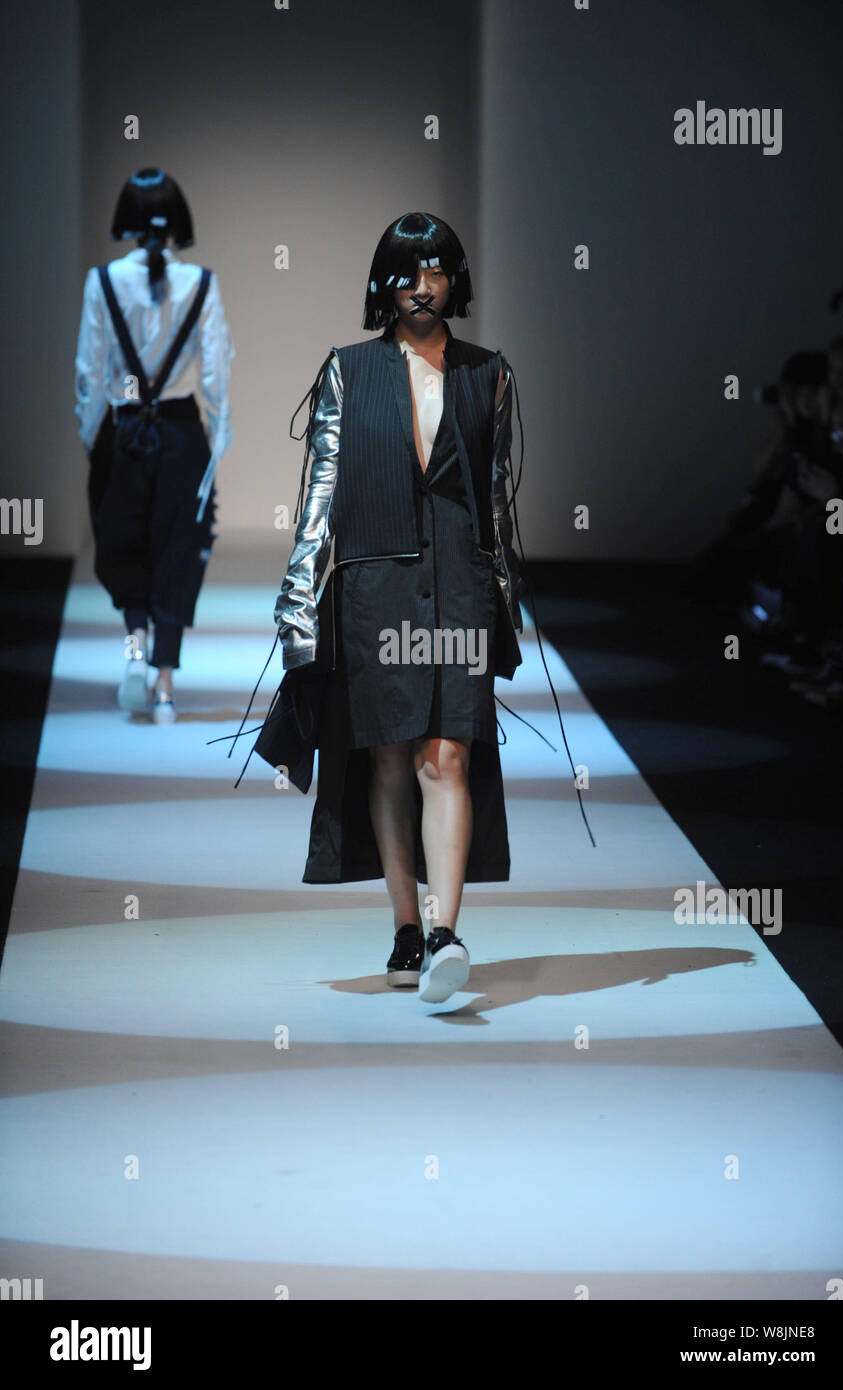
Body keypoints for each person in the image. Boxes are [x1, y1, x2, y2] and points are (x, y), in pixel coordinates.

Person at [267, 212, 524, 1004]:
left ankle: (446, 932)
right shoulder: (347, 370)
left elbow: (492, 501)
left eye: (438, 270)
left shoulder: (490, 373)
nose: (423, 285)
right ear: (384, 281)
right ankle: (405, 925)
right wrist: (298, 604)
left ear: (456, 282)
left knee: (444, 758)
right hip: (376, 588)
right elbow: (319, 495)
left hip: (458, 587)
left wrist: (502, 605)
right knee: (387, 759)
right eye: (409, 271)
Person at [74, 166, 234, 722]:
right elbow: (215, 375)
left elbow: (91, 375)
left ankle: (136, 649)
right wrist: (216, 436)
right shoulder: (202, 284)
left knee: (124, 546)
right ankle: (165, 685)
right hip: (182, 431)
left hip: (123, 432)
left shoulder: (103, 281)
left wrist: (93, 435)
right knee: (178, 551)